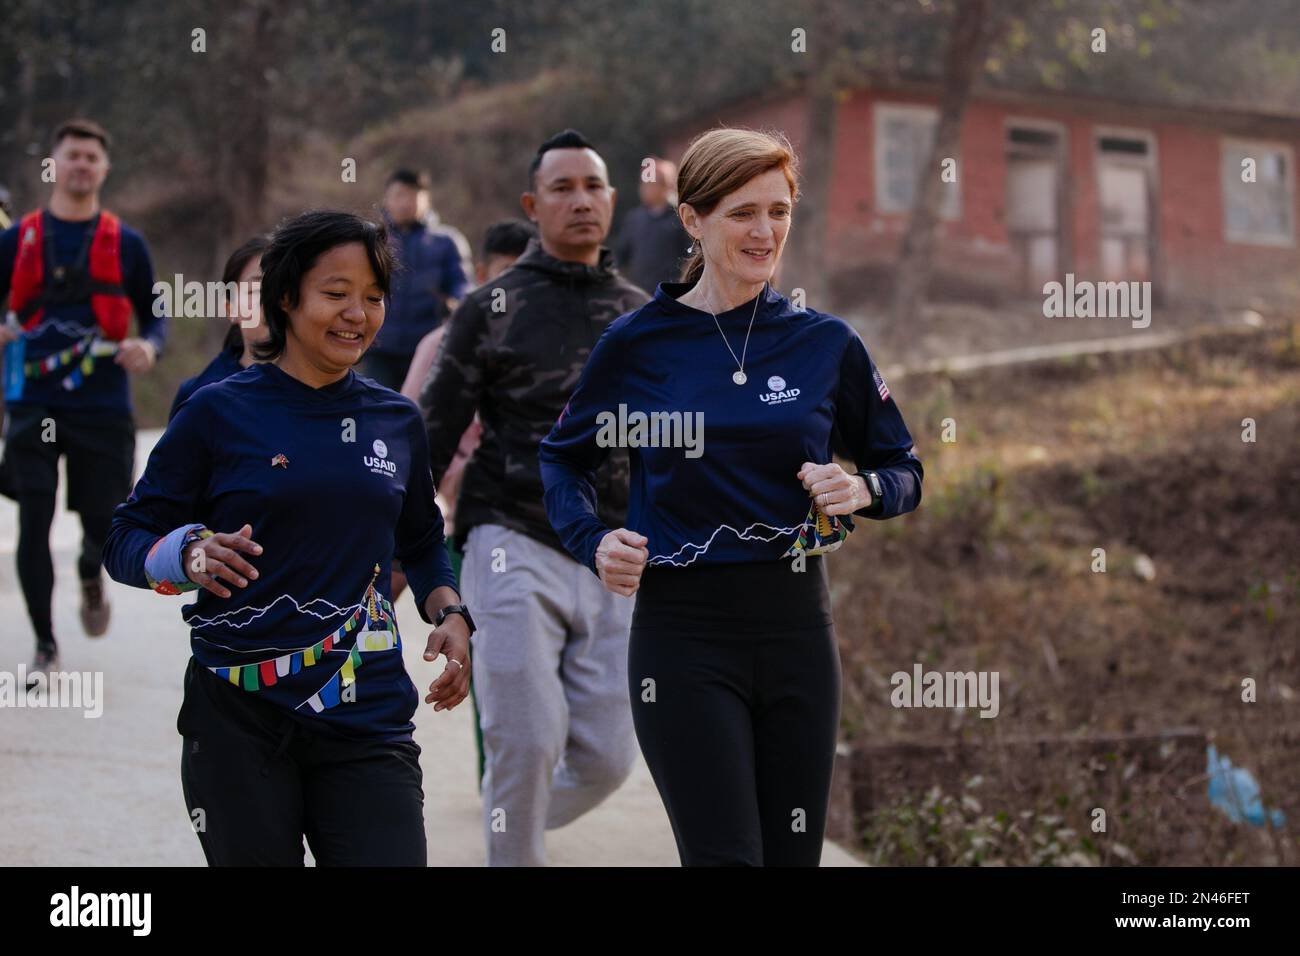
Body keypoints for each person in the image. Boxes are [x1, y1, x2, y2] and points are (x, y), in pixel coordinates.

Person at [539, 127, 925, 866]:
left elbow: (902, 466)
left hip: (797, 634)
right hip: (682, 637)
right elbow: (562, 460)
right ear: (693, 219)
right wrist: (593, 541)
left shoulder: (825, 343)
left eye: (779, 212)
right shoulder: (637, 345)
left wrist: (862, 487)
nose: (765, 231)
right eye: (743, 212)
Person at [102, 211, 474, 866]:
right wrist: (188, 553)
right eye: (336, 293)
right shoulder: (217, 410)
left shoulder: (395, 420)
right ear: (286, 298)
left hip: (368, 718)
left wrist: (449, 611)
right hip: (238, 720)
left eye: (373, 296)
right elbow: (126, 535)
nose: (357, 313)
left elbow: (420, 539)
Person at [419, 129, 649, 866]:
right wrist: (395, 549)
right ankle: (513, 845)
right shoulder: (490, 307)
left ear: (612, 200)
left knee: (612, 755)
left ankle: (509, 827)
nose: (580, 200)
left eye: (593, 186)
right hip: (508, 537)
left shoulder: (645, 317)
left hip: (614, 554)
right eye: (562, 187)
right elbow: (433, 432)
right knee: (526, 739)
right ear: (533, 203)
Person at [0, 118, 168, 685]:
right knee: (34, 518)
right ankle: (45, 644)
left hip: (102, 407)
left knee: (105, 522)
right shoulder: (17, 239)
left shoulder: (127, 243)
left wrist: (148, 345)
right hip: (33, 403)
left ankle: (92, 574)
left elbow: (157, 316)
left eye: (91, 158)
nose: (80, 166)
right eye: (71, 155)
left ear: (104, 168)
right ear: (54, 163)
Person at [359, 169, 468, 390]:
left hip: (428, 347)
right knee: (378, 412)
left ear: (426, 199)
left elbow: (463, 283)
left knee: (421, 413)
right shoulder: (373, 239)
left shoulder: (446, 241)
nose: (405, 202)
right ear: (386, 199)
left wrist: (456, 302)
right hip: (380, 347)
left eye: (413, 195)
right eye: (399, 195)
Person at [168, 235, 270, 420]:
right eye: (255, 291)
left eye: (281, 287)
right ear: (230, 308)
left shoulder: (327, 387)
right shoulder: (199, 395)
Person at [611, 156, 690, 295]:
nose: (644, 188)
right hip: (640, 295)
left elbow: (691, 258)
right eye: (643, 183)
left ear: (667, 185)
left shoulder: (681, 217)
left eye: (650, 183)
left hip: (671, 295)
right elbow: (620, 256)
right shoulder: (635, 218)